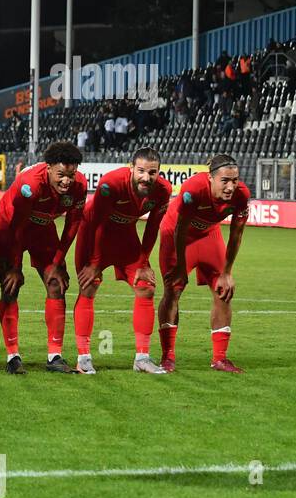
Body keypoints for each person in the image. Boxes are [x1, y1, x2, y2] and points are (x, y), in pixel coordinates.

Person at [73, 147, 171, 375]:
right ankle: (84, 358)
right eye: (141, 171)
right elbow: (97, 223)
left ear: (159, 172)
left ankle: (142, 358)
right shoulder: (111, 184)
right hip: (94, 234)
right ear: (131, 169)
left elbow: (152, 227)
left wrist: (144, 262)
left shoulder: (163, 191)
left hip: (125, 236)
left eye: (152, 172)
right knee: (89, 286)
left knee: (146, 287)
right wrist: (95, 263)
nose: (146, 177)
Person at [0, 141, 87, 375]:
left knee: (56, 283)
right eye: (61, 175)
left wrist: (56, 263)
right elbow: (17, 226)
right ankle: (12, 356)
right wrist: (15, 266)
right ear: (48, 168)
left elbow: (73, 224)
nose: (66, 181)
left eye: (71, 175)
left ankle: (54, 356)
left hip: (43, 228)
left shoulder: (80, 185)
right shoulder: (30, 185)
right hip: (10, 226)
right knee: (10, 287)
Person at [157, 155, 250, 373]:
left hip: (208, 234)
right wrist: (180, 266)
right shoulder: (193, 190)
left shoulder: (241, 195)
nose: (230, 186)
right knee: (173, 290)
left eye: (235, 180)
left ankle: (220, 359)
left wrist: (227, 272)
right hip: (176, 235)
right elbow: (180, 229)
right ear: (210, 178)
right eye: (225, 180)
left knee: (223, 290)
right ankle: (167, 357)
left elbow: (236, 235)